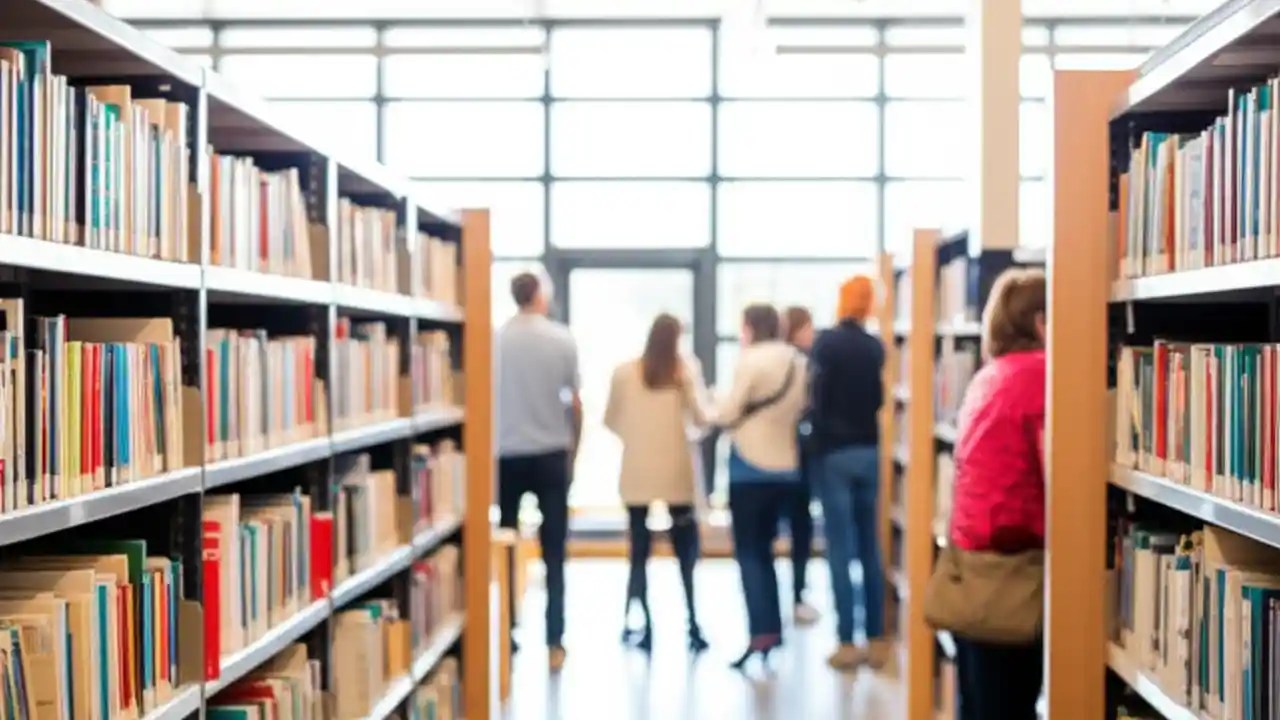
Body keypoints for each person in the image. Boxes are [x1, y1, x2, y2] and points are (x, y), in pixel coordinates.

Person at [948, 269, 1046, 720]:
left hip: (973, 568)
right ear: (1042, 322)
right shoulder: (1043, 377)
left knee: (980, 703)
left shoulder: (987, 378)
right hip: (1016, 572)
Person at [603, 313, 712, 654]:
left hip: (637, 471)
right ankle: (692, 622)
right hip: (675, 470)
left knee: (638, 550)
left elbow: (611, 420)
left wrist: (638, 438)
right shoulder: (684, 372)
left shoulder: (624, 373)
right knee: (685, 552)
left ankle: (641, 621)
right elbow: (702, 418)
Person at [495, 271, 582, 673]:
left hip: (507, 454)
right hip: (550, 454)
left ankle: (508, 633)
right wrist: (573, 455)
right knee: (555, 554)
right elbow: (574, 404)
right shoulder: (561, 339)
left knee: (507, 546)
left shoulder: (496, 340)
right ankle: (555, 640)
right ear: (539, 296)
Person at [719, 303, 808, 670]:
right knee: (768, 552)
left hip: (749, 469)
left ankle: (760, 632)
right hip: (787, 467)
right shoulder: (797, 361)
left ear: (750, 326)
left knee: (750, 555)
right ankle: (773, 628)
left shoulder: (750, 360)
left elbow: (727, 413)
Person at [809, 275, 889, 671]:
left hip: (835, 455)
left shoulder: (826, 344)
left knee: (840, 549)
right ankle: (876, 638)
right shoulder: (876, 347)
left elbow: (817, 403)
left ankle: (846, 641)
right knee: (869, 546)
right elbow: (877, 400)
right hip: (869, 451)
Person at [782, 306, 820, 626]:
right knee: (800, 527)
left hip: (781, 458)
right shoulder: (801, 365)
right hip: (795, 457)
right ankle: (796, 594)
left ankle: (788, 595)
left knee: (796, 526)